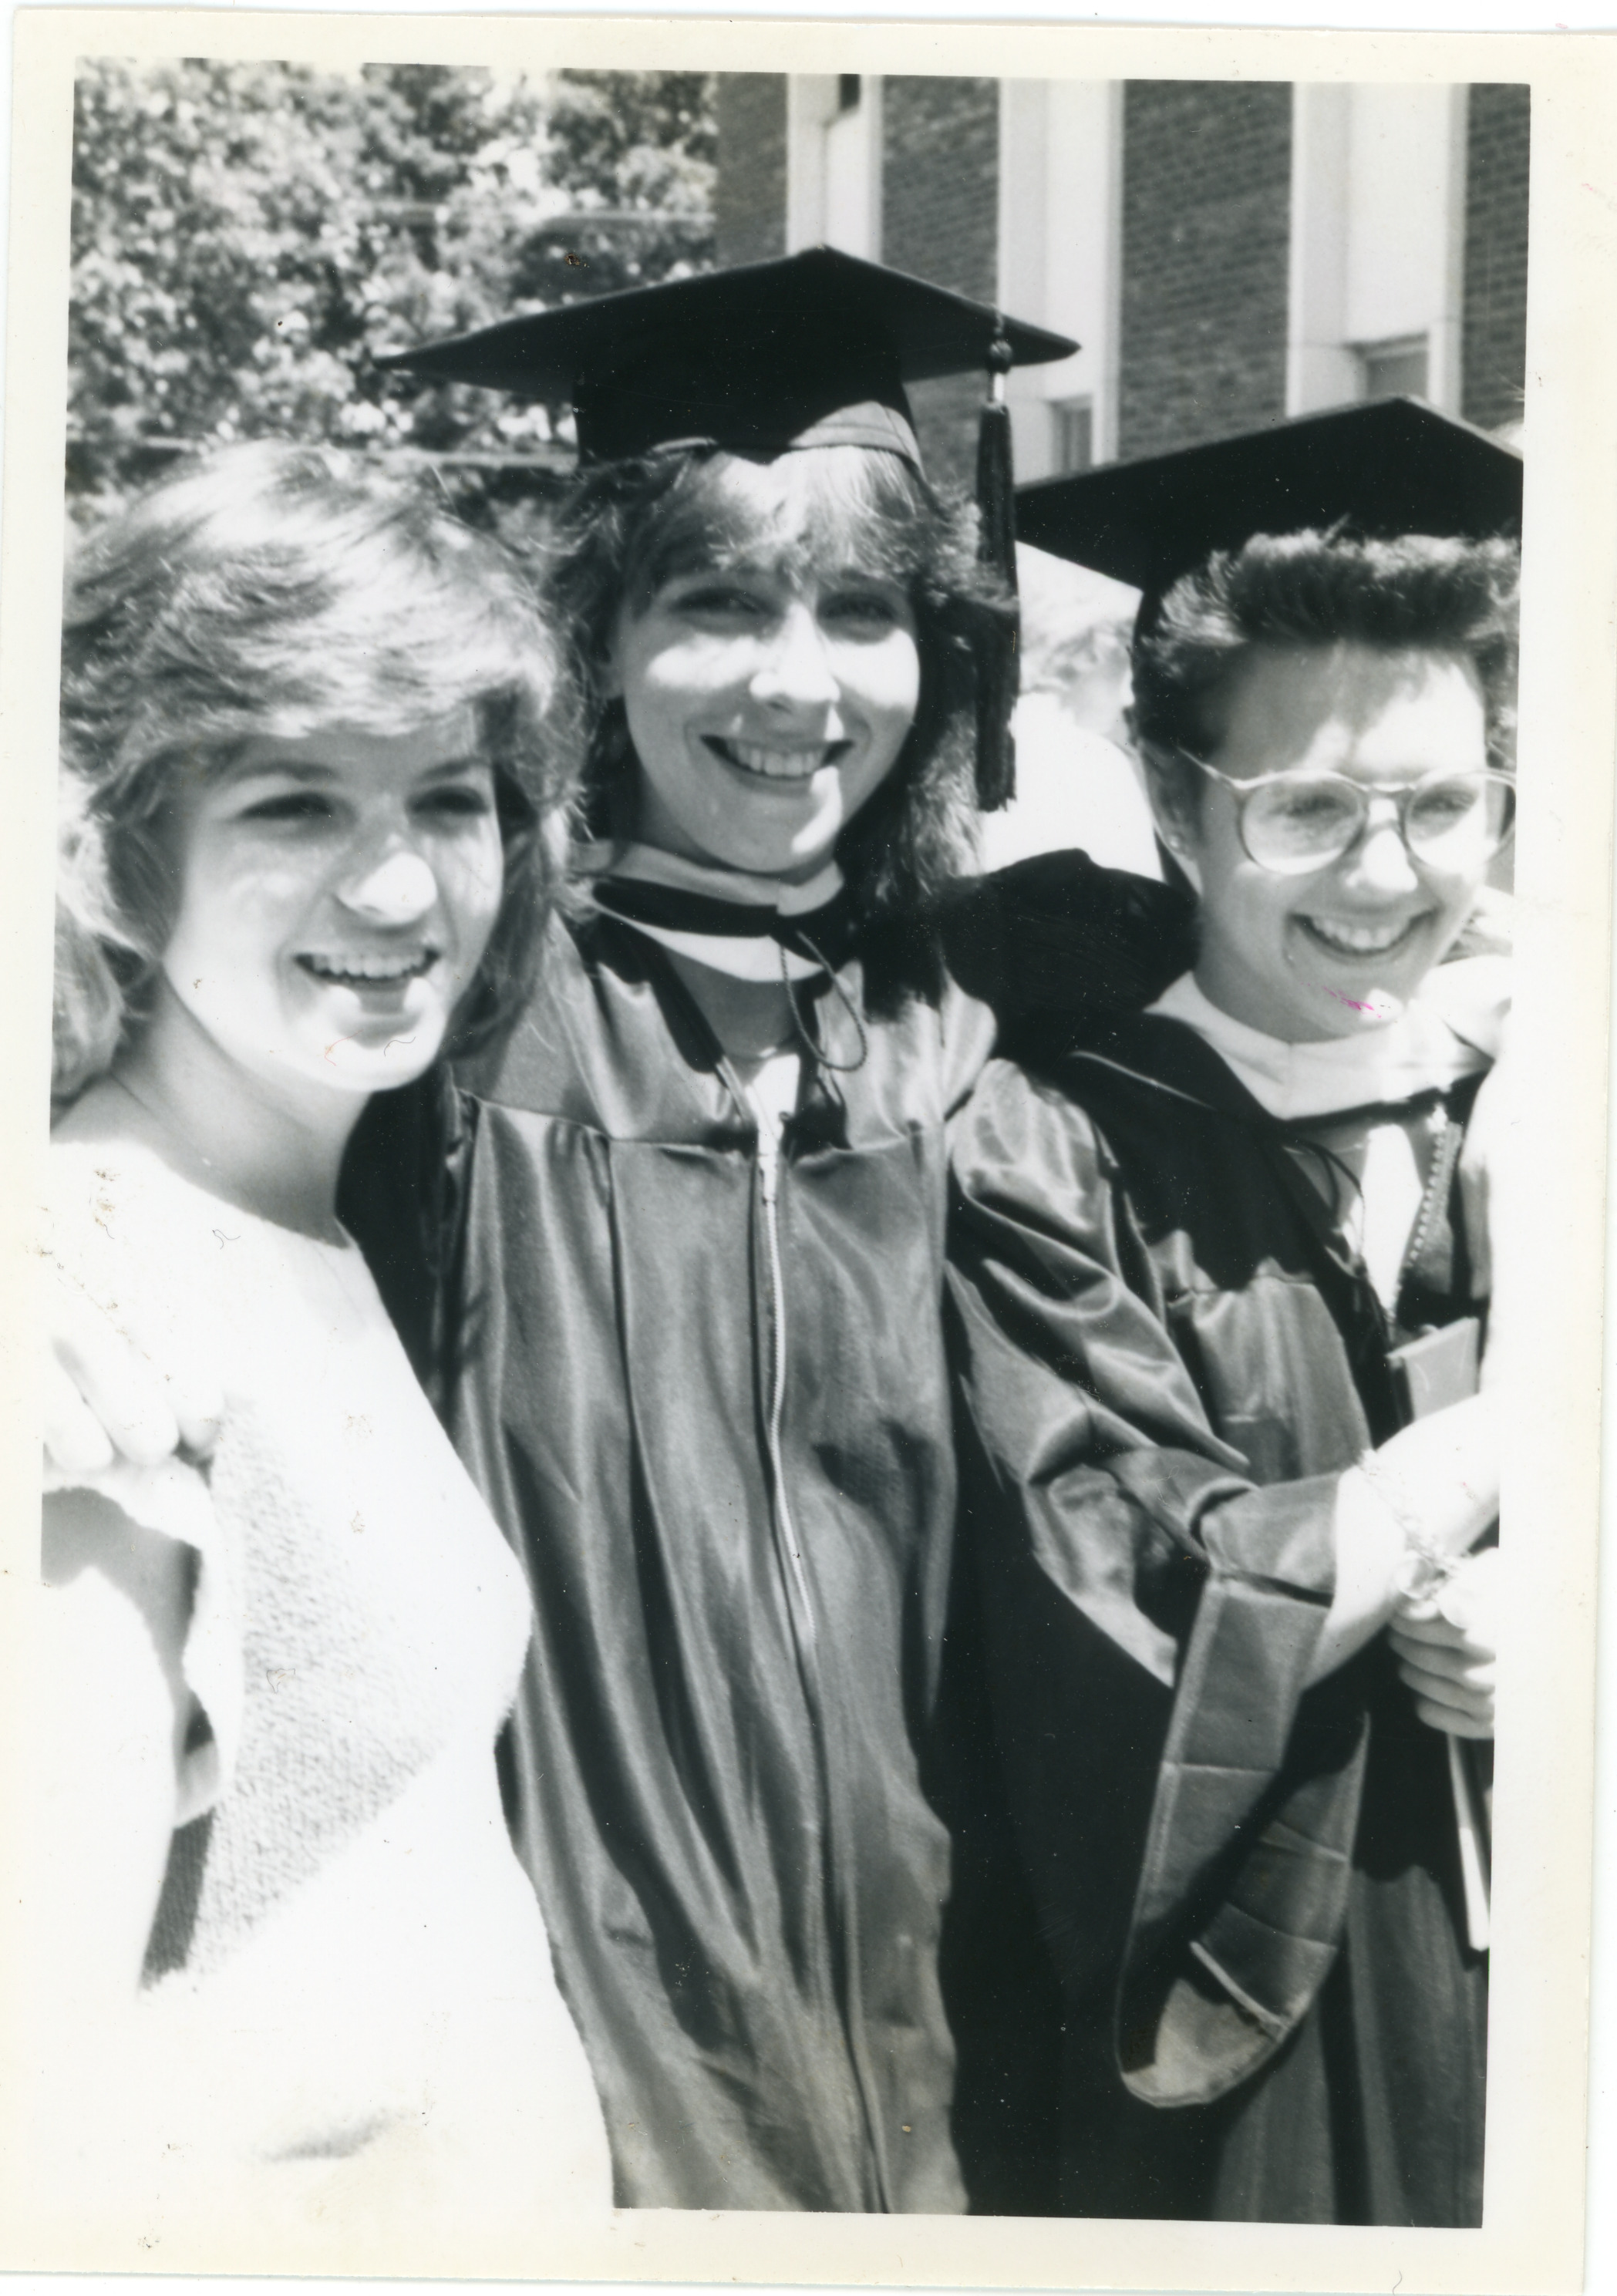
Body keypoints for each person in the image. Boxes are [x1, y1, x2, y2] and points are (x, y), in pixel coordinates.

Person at [32, 443, 610, 2248]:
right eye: (291, 805)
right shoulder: (91, 1315)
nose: (395, 889)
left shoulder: (307, 1226)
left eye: (446, 796)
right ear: (122, 858)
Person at [947, 401, 1517, 2224]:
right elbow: (1131, 1592)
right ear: (1170, 802)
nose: (1383, 875)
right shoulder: (1048, 1151)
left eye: (1438, 805)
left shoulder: (1534, 1107)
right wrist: (1519, 1438)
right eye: (1307, 810)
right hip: (1258, 2041)